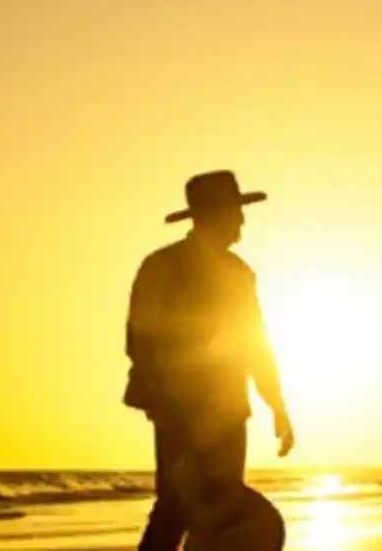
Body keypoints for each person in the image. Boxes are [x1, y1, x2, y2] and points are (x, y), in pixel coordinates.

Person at [124, 170, 295, 551]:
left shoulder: (240, 274)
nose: (242, 222)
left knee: (223, 508)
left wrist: (278, 407)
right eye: (236, 212)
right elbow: (139, 338)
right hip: (179, 409)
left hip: (229, 411)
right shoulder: (162, 266)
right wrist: (170, 394)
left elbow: (256, 345)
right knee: (175, 508)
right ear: (215, 214)